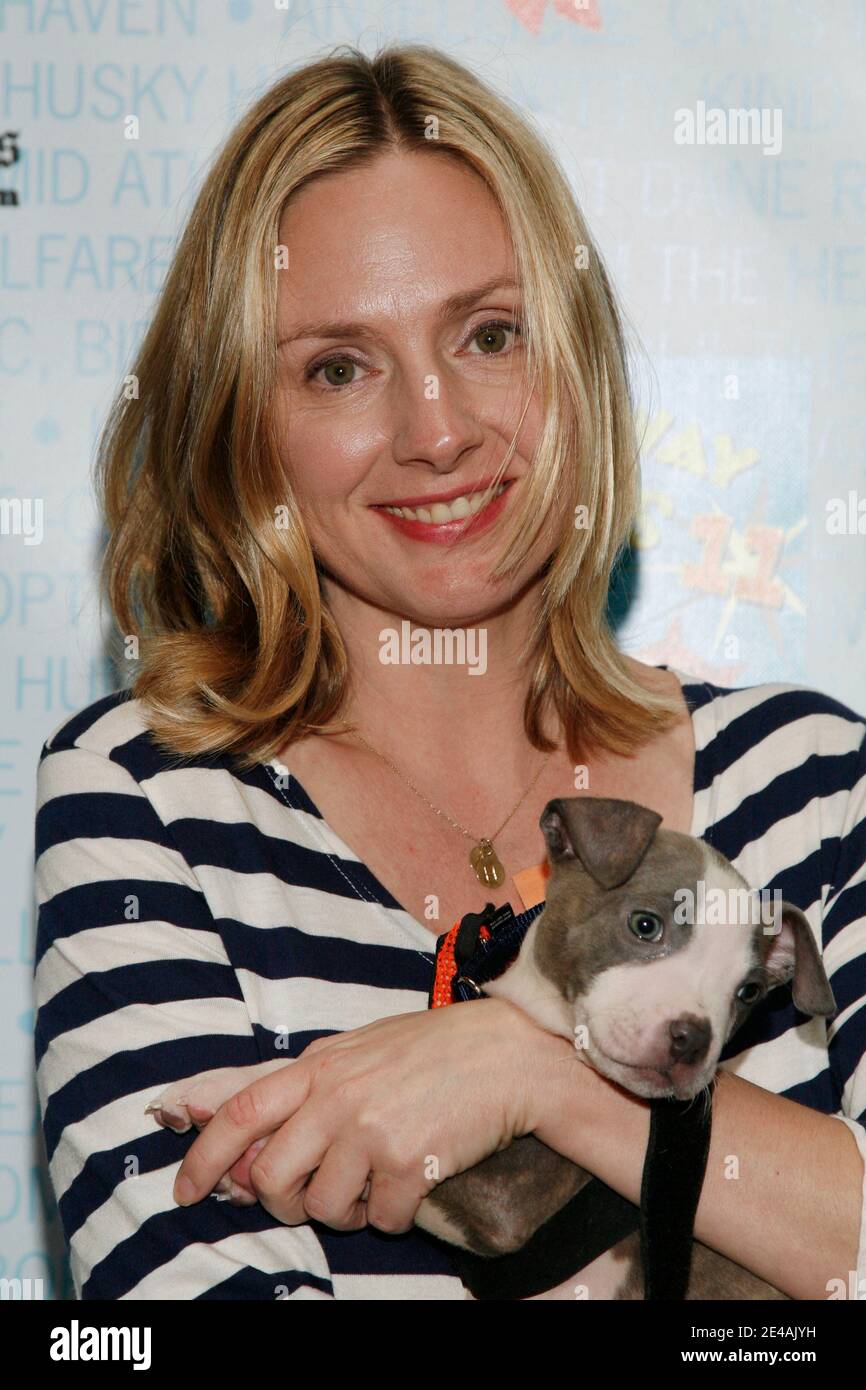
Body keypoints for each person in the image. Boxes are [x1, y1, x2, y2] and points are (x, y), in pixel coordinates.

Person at [34, 42, 866, 1301]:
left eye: (487, 334)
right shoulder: (147, 808)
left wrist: (540, 1079)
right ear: (240, 424)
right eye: (338, 366)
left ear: (573, 355)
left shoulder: (809, 782)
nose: (436, 431)